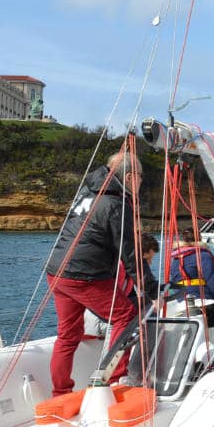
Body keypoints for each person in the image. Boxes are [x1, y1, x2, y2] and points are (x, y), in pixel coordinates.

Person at [45, 152, 143, 396]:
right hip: (83, 275)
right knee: (127, 316)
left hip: (57, 271)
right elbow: (129, 253)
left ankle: (60, 393)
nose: (142, 183)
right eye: (141, 178)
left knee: (67, 336)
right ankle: (113, 382)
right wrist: (149, 286)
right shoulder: (116, 203)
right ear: (130, 177)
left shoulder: (87, 193)